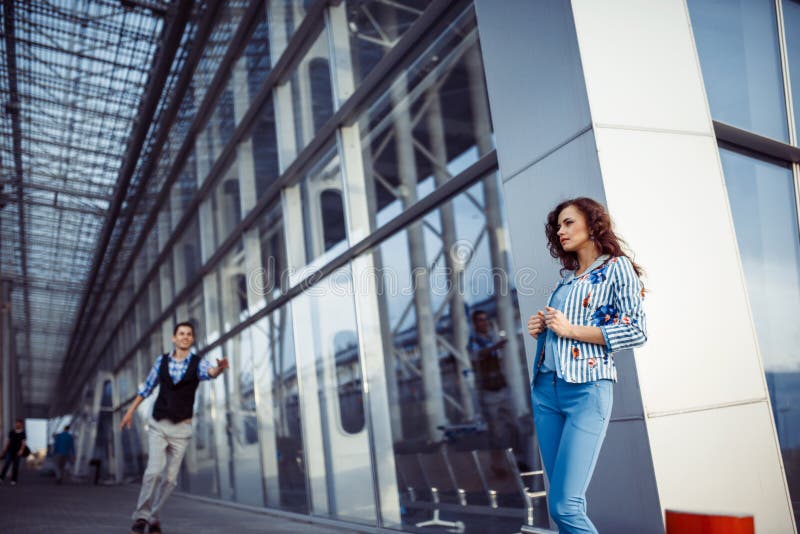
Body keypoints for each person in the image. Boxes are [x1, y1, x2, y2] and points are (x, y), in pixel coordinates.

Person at [526, 197, 647, 533]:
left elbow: (635, 331)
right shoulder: (567, 279)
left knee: (567, 506)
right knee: (558, 506)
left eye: (568, 222)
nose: (560, 231)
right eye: (558, 226)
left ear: (593, 225)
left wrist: (569, 329)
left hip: (586, 391)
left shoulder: (616, 268)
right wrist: (542, 331)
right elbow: (563, 335)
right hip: (546, 393)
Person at [120, 322, 228, 534]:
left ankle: (154, 516)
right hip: (159, 425)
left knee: (170, 480)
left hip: (181, 429)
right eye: (181, 334)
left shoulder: (198, 363)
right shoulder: (161, 361)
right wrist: (130, 411)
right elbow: (146, 388)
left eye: (189, 334)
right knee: (153, 472)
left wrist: (219, 369)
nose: (185, 337)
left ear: (192, 339)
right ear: (174, 338)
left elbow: (211, 372)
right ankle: (142, 517)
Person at [468, 310, 518, 451]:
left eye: (485, 319)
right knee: (496, 431)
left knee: (514, 423)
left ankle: (519, 457)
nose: (484, 322)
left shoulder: (491, 338)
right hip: (489, 393)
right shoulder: (474, 341)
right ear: (475, 323)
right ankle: (500, 461)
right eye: (480, 320)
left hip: (502, 388)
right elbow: (478, 354)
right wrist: (496, 346)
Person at [0, 419, 27, 486]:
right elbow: (8, 442)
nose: (17, 424)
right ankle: (1, 478)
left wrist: (21, 450)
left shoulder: (23, 433)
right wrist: (4, 450)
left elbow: (23, 443)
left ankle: (13, 480)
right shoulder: (11, 432)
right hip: (10, 451)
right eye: (16, 423)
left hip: (18, 452)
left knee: (15, 466)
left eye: (19, 423)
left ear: (21, 425)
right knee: (6, 464)